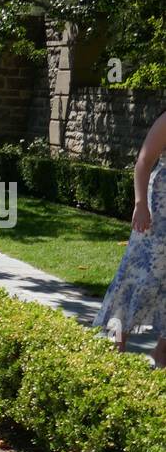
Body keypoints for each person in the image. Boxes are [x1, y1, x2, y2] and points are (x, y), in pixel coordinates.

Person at [96, 110, 166, 366]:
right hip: (159, 210)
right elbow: (144, 161)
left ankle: (161, 353)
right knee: (136, 275)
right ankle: (116, 342)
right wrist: (140, 204)